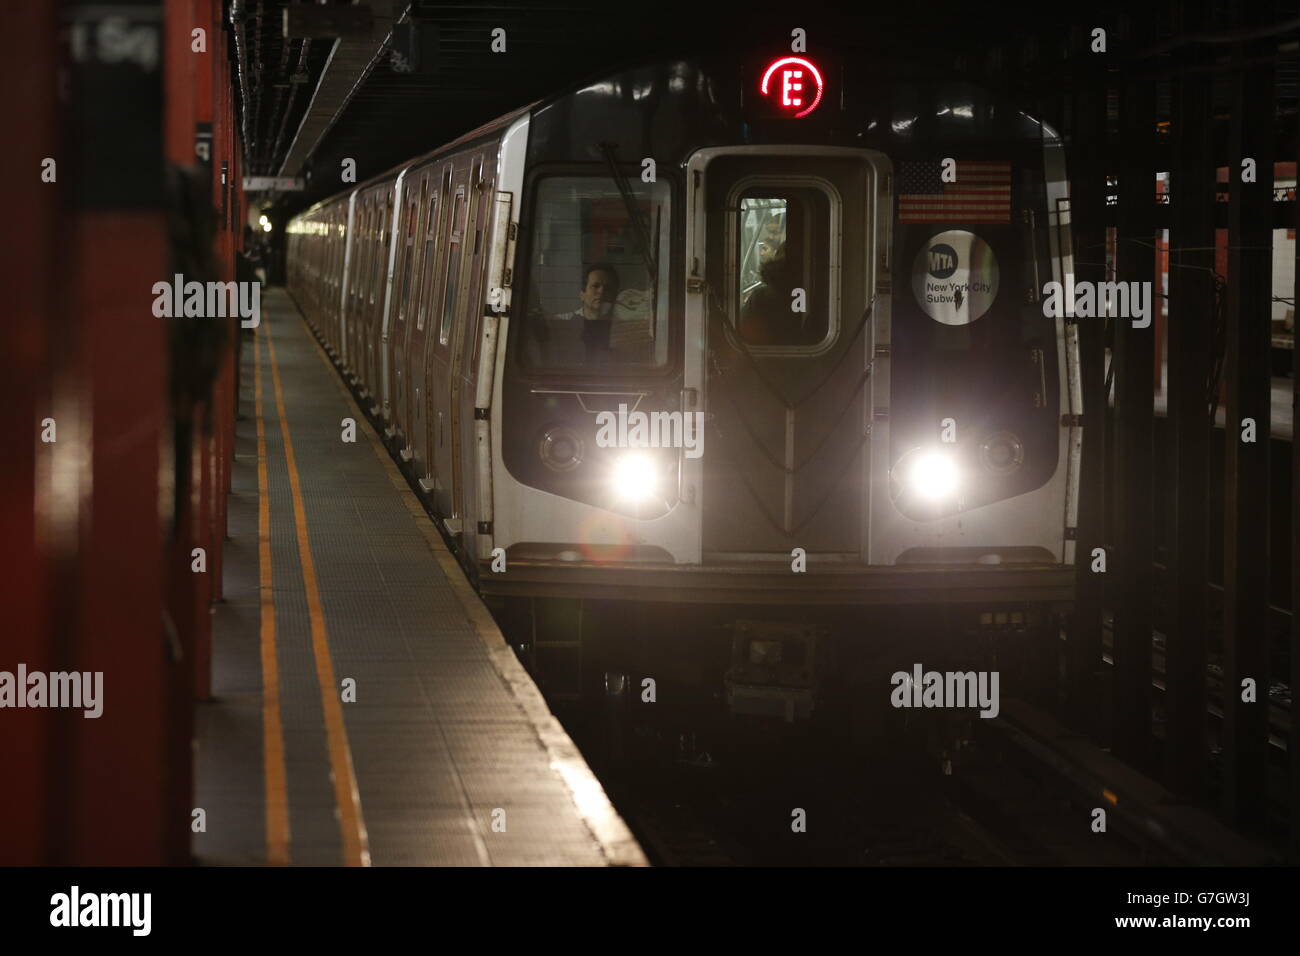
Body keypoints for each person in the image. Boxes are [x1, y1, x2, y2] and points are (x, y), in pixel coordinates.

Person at [539, 263, 621, 364]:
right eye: (595, 286)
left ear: (614, 296)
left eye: (607, 288)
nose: (601, 291)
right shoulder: (561, 322)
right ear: (582, 295)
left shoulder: (622, 327)